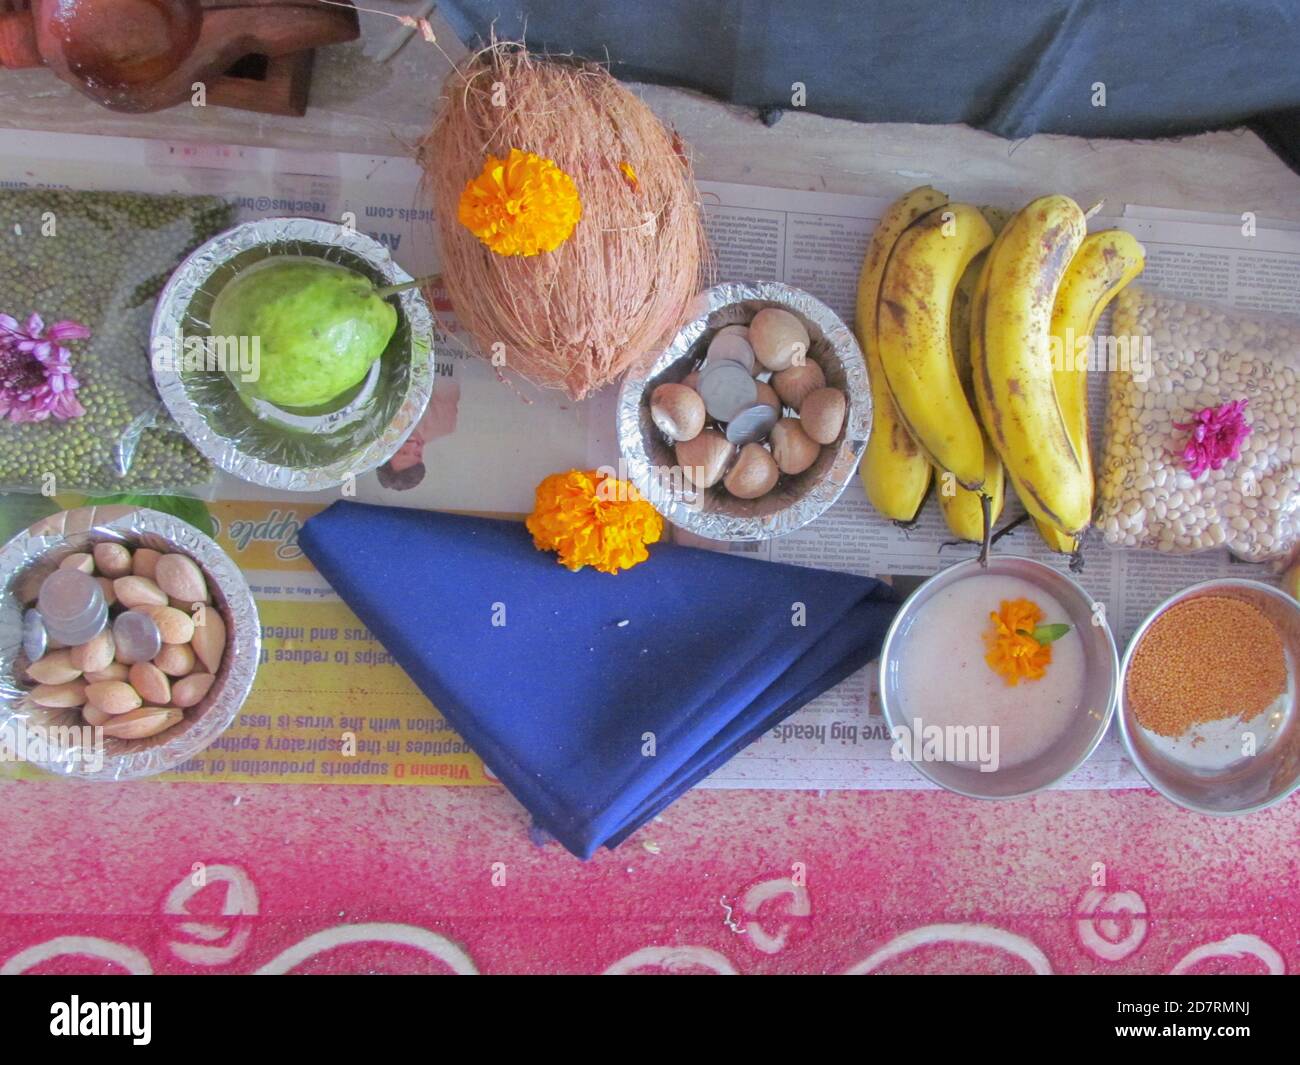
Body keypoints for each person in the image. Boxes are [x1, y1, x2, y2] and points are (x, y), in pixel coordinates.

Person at [375, 377, 460, 491]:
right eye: (418, 454)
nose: (414, 446)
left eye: (403, 451)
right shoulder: (443, 425)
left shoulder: (377, 423)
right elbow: (447, 378)